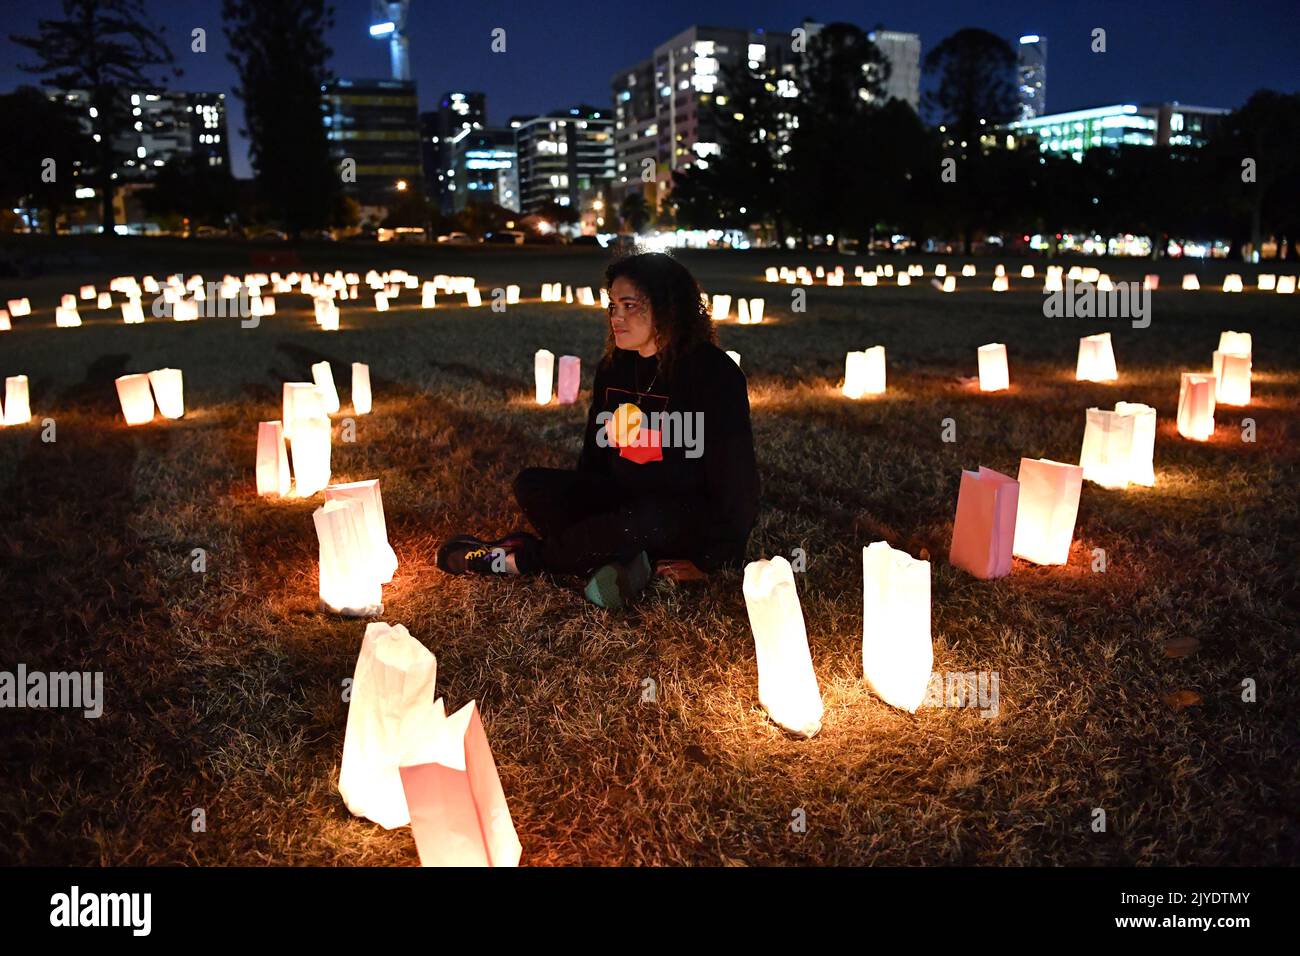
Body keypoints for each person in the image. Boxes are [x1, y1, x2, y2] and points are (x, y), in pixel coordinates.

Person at [437, 252, 760, 608]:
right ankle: (620, 561)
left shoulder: (714, 373)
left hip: (679, 514)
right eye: (611, 305)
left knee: (637, 522)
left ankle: (516, 559)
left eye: (628, 304)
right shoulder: (615, 367)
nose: (615, 317)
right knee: (532, 485)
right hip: (623, 498)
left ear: (667, 306)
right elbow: (595, 451)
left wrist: (714, 561)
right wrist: (581, 503)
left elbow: (737, 478)